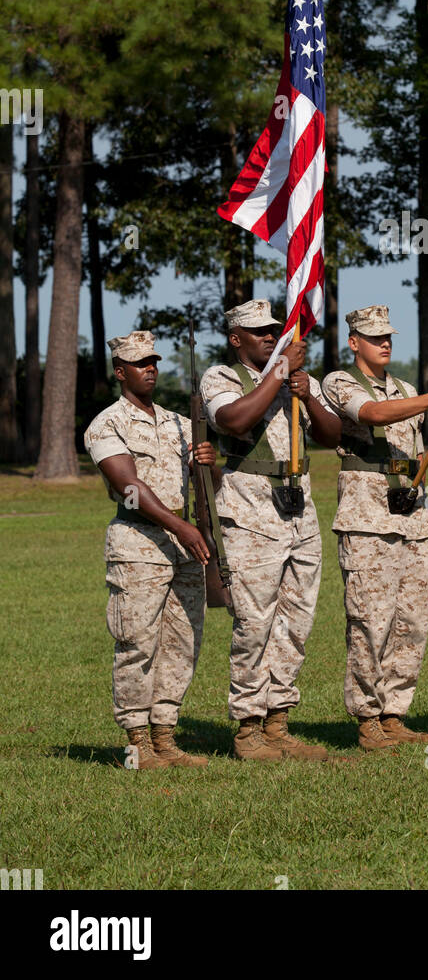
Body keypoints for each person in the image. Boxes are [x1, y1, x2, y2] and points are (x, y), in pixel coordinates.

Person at [199, 300, 341, 763]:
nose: (269, 335)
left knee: (295, 621)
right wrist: (280, 371)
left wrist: (307, 394)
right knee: (254, 622)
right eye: (258, 331)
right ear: (235, 337)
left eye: (273, 330)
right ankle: (248, 728)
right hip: (251, 511)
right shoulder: (221, 377)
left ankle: (279, 720)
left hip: (300, 508)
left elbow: (332, 436)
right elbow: (234, 421)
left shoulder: (297, 378)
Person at [322, 305, 428, 751]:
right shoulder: (339, 381)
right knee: (369, 621)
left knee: (411, 623)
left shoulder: (405, 388)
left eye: (388, 336)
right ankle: (367, 719)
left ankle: (394, 712)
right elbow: (372, 414)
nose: (385, 343)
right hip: (367, 520)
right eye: (374, 337)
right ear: (354, 342)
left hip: (412, 516)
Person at [84, 330, 218, 770]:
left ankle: (165, 737)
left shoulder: (181, 423)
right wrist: (180, 526)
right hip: (138, 543)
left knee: (182, 642)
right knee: (138, 642)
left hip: (184, 546)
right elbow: (129, 488)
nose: (150, 369)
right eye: (140, 363)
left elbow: (207, 488)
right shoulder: (106, 424)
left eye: (154, 361)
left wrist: (208, 466)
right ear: (120, 371)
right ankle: (136, 744)